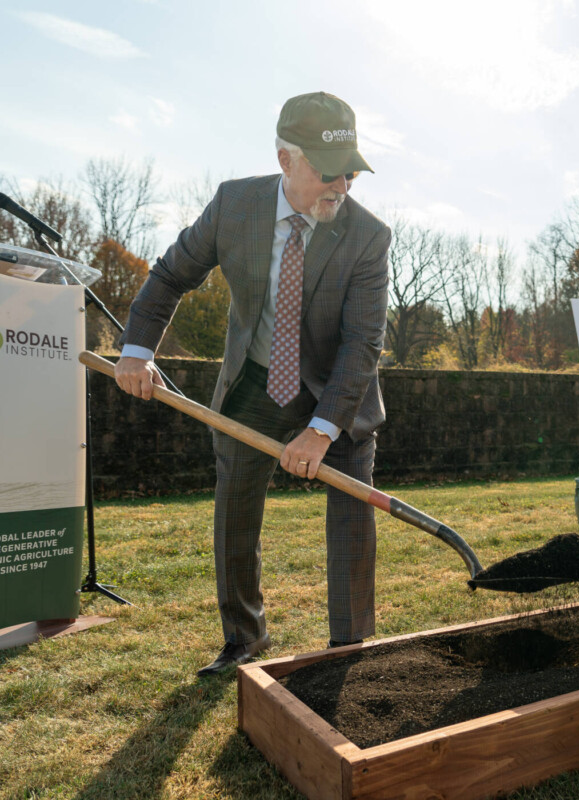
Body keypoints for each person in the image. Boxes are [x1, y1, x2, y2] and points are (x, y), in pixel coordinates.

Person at [114, 92, 391, 675]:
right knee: (234, 510)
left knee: (350, 519)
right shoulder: (234, 205)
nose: (340, 186)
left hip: (338, 393)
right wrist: (137, 353)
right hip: (257, 381)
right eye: (326, 172)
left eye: (349, 173)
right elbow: (169, 275)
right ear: (286, 159)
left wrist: (320, 431)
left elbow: (362, 342)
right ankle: (245, 636)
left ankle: (350, 649)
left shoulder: (369, 237)